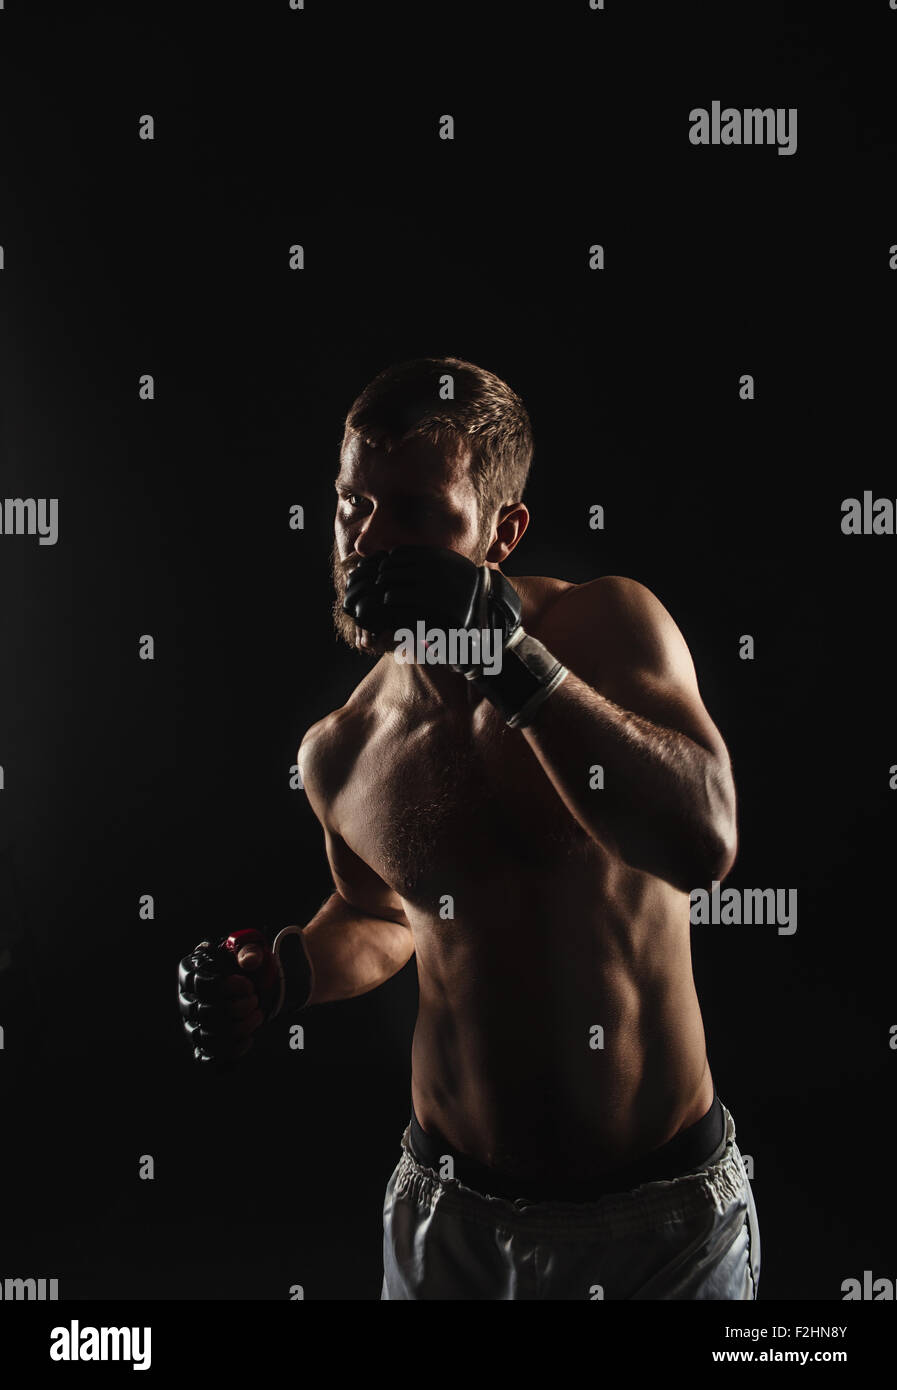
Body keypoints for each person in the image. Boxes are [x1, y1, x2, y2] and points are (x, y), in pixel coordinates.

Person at [178, 356, 760, 1301]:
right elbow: (383, 915)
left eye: (415, 514)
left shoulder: (608, 628)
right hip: (448, 1223)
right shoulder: (342, 749)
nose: (368, 542)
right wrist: (284, 974)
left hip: (655, 1227)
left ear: (500, 532)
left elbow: (704, 843)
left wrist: (509, 662)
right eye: (352, 505)